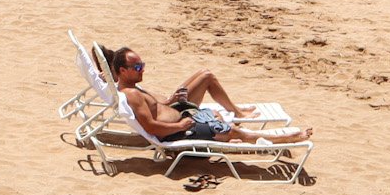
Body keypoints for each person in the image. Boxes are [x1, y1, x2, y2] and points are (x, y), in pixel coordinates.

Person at [104, 47, 311, 143]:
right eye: (138, 67)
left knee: (218, 116)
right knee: (236, 132)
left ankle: (228, 136)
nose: (143, 70)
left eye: (143, 65)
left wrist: (171, 101)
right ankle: (291, 138)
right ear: (123, 71)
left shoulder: (131, 88)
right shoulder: (131, 94)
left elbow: (154, 110)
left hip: (184, 116)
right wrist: (180, 126)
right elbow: (150, 127)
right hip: (180, 131)